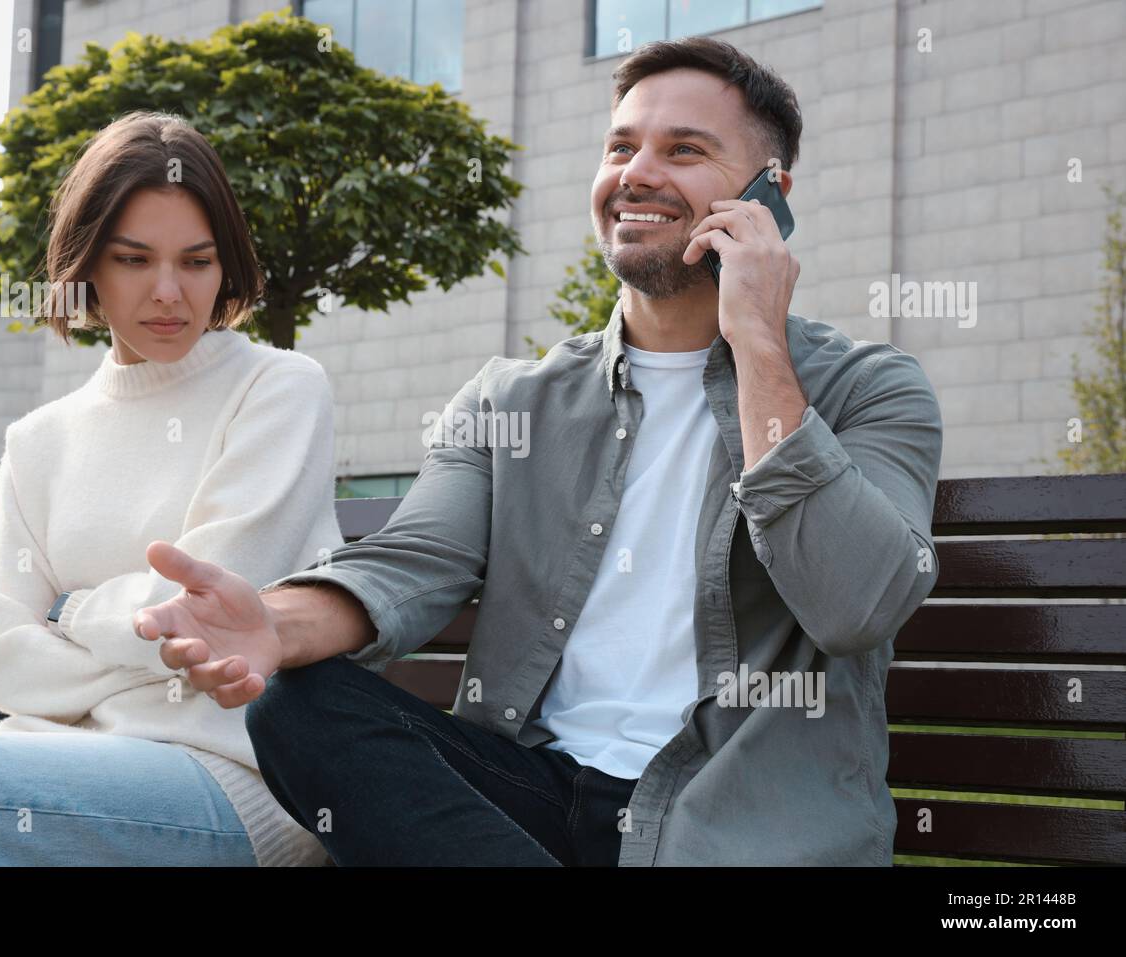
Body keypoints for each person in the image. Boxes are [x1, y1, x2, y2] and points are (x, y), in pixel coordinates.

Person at [135, 37, 945, 866]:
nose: (637, 173)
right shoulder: (509, 400)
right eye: (621, 147)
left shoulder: (869, 390)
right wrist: (272, 623)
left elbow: (856, 606)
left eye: (685, 151)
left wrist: (759, 345)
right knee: (295, 706)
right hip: (529, 805)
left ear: (768, 196)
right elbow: (412, 564)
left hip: (736, 827)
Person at [0, 111, 339, 867]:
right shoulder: (41, 438)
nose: (170, 292)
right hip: (47, 761)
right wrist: (127, 633)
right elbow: (4, 658)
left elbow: (206, 618)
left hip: (229, 779)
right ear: (88, 263)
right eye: (135, 259)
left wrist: (68, 612)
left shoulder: (278, 388)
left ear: (224, 266)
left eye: (196, 262)